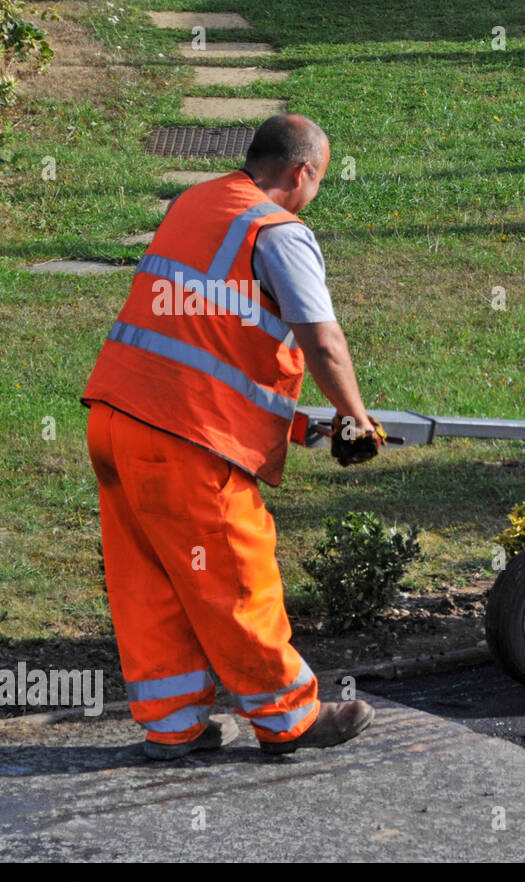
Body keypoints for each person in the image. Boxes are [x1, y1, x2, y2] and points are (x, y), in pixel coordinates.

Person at [82, 114, 380, 760]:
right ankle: (289, 717)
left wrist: (299, 424)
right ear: (302, 173)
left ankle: (173, 725)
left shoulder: (196, 201)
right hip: (184, 440)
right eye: (319, 180)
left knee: (150, 580)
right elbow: (320, 340)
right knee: (235, 574)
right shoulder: (278, 233)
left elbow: (205, 339)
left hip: (115, 418)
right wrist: (353, 412)